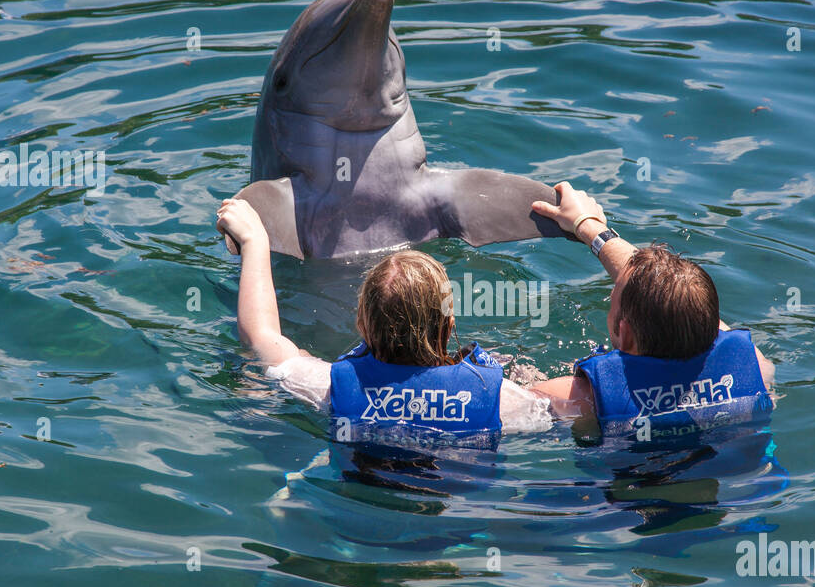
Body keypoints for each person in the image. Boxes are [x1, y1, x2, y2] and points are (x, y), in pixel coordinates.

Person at [215, 197, 551, 439]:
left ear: (361, 324)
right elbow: (586, 403)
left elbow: (261, 336)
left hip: (352, 517)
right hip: (461, 525)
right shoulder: (502, 399)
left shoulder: (330, 387)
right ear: (448, 329)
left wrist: (254, 240)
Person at [528, 182, 775, 435]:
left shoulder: (579, 398)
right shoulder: (755, 366)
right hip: (745, 474)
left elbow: (495, 405)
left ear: (626, 336)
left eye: (614, 297)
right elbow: (679, 300)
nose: (612, 292)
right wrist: (589, 227)